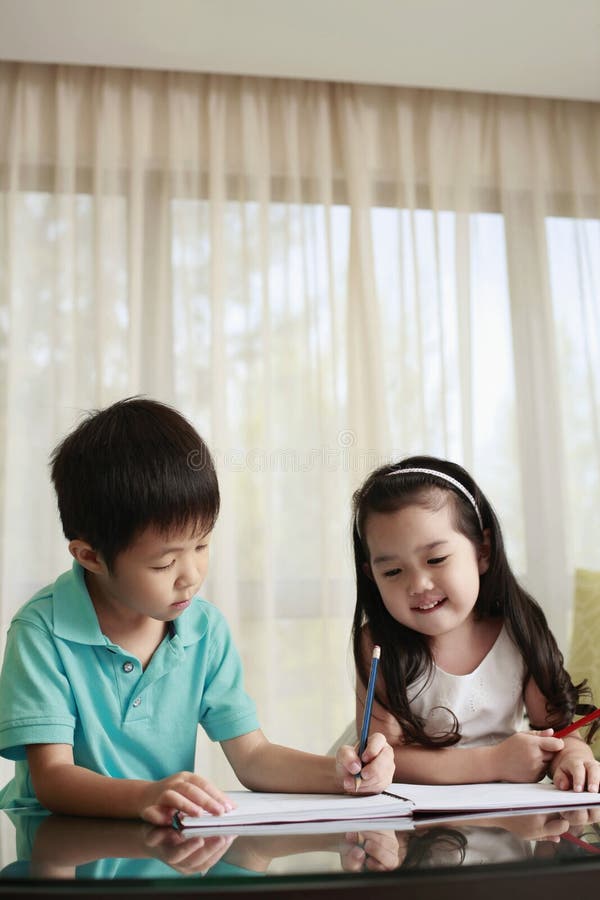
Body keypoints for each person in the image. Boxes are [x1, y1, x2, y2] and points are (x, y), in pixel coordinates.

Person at [0, 398, 394, 825]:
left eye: (202, 545)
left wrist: (342, 774)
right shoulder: (42, 631)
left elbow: (253, 757)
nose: (190, 575)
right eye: (163, 563)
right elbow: (53, 778)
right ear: (90, 557)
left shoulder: (202, 629)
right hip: (54, 848)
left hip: (157, 843)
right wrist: (146, 796)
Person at [351, 455, 600, 792]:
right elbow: (388, 757)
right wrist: (495, 762)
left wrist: (572, 755)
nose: (418, 584)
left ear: (483, 550)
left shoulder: (517, 632)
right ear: (372, 576)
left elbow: (556, 733)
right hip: (414, 822)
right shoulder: (379, 644)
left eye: (436, 559)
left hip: (503, 820)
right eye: (393, 571)